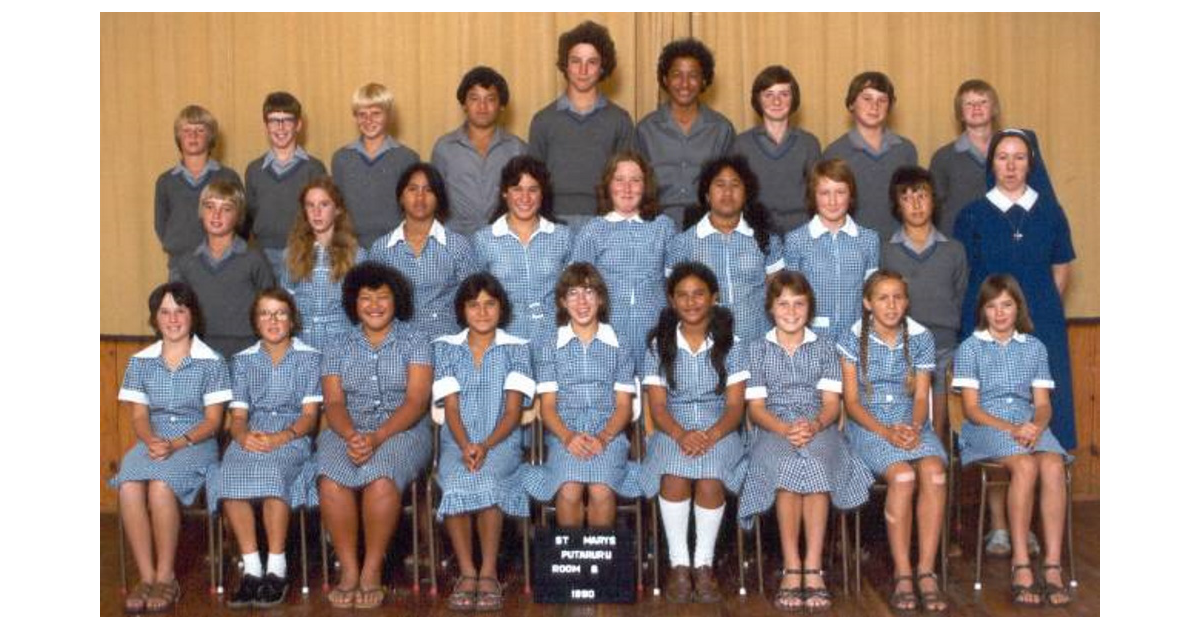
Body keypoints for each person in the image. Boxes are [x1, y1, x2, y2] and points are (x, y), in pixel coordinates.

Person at [953, 128, 1076, 558]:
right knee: (997, 420)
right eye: (1002, 158)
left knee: (1041, 428)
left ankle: (1036, 529)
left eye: (1019, 158)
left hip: (1040, 328)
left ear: (1031, 163)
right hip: (987, 326)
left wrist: (1036, 312)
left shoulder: (1050, 212)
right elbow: (963, 274)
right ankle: (1001, 527)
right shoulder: (972, 214)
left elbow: (1060, 269)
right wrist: (997, 318)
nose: (1010, 166)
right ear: (992, 165)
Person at [739, 271, 872, 613]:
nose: (791, 311)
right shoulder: (757, 349)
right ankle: (791, 565)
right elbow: (755, 409)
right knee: (785, 467)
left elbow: (831, 405)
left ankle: (813, 568)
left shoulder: (826, 347)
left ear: (809, 307)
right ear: (771, 308)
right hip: (773, 428)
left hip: (819, 426)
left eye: (799, 303)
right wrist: (785, 429)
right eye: (783, 303)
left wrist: (812, 426)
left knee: (814, 465)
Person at [317, 262, 433, 609]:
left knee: (380, 479)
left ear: (396, 300)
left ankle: (371, 570)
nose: (375, 305)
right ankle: (349, 570)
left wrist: (378, 437)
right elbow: (334, 401)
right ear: (354, 302)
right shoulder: (337, 344)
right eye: (366, 298)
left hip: (402, 429)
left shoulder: (416, 340)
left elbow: (416, 401)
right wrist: (352, 435)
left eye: (383, 297)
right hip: (347, 429)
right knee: (331, 480)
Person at [952, 274, 1072, 607]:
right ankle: (1021, 562)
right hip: (986, 426)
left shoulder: (1034, 347)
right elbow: (971, 409)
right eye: (992, 306)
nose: (1000, 313)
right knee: (1024, 465)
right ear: (983, 311)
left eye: (1007, 305)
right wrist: (1011, 429)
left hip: (1027, 422)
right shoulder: (971, 347)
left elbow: (1044, 404)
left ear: (1018, 307)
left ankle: (1051, 563)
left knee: (1051, 464)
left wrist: (1034, 425)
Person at [112, 282, 232, 614]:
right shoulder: (141, 361)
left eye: (180, 311)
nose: (173, 319)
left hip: (195, 441)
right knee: (128, 485)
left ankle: (167, 577)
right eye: (164, 312)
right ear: (155, 318)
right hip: (154, 439)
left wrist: (176, 443)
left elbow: (213, 422)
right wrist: (151, 440)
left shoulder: (211, 361)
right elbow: (139, 415)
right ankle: (146, 577)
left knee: (162, 486)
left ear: (192, 315)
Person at [839, 270, 948, 614]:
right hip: (868, 426)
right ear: (868, 303)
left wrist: (915, 427)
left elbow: (921, 397)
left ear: (907, 301)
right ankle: (902, 572)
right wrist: (886, 433)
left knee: (933, 472)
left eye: (898, 297)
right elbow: (852, 404)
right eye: (883, 298)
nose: (891, 305)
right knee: (903, 476)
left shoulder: (920, 337)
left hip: (910, 422)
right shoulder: (851, 338)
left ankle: (926, 571)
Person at [639, 262, 748, 604]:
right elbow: (657, 408)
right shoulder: (659, 344)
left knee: (711, 476)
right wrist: (683, 434)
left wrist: (711, 435)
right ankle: (679, 565)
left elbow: (734, 407)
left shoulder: (733, 343)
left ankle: (703, 564)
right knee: (673, 475)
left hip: (720, 427)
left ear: (714, 298)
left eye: (699, 294)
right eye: (682, 296)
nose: (691, 302)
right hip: (673, 428)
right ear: (671, 301)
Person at [431, 273, 535, 612]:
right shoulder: (445, 348)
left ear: (501, 308)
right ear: (462, 310)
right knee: (458, 481)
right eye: (474, 305)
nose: (482, 312)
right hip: (456, 443)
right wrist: (465, 446)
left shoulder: (517, 349)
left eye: (490, 304)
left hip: (501, 442)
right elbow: (452, 409)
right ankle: (467, 572)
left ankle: (489, 572)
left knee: (488, 479)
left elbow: (512, 411)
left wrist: (486, 445)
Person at [213, 288, 321, 608]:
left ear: (291, 319)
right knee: (230, 473)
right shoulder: (244, 360)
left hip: (291, 435)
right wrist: (242, 436)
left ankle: (276, 568)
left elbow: (309, 417)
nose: (273, 320)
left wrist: (281, 437)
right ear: (256, 321)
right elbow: (238, 416)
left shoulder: (310, 357)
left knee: (274, 471)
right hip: (252, 432)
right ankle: (252, 569)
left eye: (280, 313)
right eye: (265, 314)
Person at [523, 263, 640, 527]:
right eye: (573, 294)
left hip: (608, 433)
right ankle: (573, 558)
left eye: (588, 292)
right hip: (565, 433)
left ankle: (597, 562)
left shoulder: (619, 343)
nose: (582, 301)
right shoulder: (550, 346)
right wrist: (568, 437)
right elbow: (548, 407)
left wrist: (604, 437)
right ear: (563, 302)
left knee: (601, 489)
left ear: (600, 299)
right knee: (570, 489)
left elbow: (623, 406)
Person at [879, 166, 967, 439]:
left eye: (922, 196)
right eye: (906, 198)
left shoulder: (954, 250)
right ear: (897, 205)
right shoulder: (887, 251)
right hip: (901, 347)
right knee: (906, 420)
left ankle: (939, 461)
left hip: (943, 346)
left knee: (939, 427)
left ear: (934, 200)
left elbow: (961, 296)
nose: (916, 205)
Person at [569, 151, 677, 369]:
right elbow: (577, 288)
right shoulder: (593, 230)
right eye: (619, 180)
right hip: (608, 330)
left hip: (656, 331)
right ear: (608, 185)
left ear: (646, 186)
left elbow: (677, 285)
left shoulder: (663, 227)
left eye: (635, 180)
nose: (627, 188)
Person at [529, 20, 635, 230]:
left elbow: (628, 180)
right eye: (576, 61)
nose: (583, 70)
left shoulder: (620, 120)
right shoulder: (543, 120)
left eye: (592, 62)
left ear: (603, 67)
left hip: (605, 222)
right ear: (565, 65)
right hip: (553, 222)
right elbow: (533, 181)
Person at [666, 155, 783, 342]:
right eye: (720, 185)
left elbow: (779, 297)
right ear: (707, 195)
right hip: (705, 345)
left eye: (735, 185)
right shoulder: (683, 243)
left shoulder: (767, 240)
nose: (727, 193)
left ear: (745, 194)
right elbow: (674, 299)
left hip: (757, 342)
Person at [928, 79, 1060, 236]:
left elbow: (1042, 198)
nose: (976, 108)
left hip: (1010, 240)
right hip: (961, 246)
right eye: (969, 104)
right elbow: (933, 209)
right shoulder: (943, 157)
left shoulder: (1020, 151)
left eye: (983, 102)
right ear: (960, 112)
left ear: (994, 108)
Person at [368, 163, 479, 339]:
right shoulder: (381, 249)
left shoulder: (458, 246)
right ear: (401, 197)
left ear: (439, 198)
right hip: (397, 346)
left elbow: (473, 302)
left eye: (428, 190)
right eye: (412, 189)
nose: (420, 197)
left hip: (447, 345)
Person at [170, 180, 276, 358]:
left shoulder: (253, 259)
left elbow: (271, 306)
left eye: (226, 209)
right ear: (201, 212)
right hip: (200, 349)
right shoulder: (187, 261)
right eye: (210, 207)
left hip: (247, 350)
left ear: (239, 215)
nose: (216, 215)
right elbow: (176, 310)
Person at [473, 155, 571, 344]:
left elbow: (572, 292)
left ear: (542, 193)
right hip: (503, 338)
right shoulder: (483, 240)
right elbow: (477, 299)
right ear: (504, 193)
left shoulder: (562, 236)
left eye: (533, 189)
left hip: (554, 336)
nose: (525, 198)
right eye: (517, 189)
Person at [637, 38, 735, 226]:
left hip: (709, 226)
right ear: (665, 79)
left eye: (693, 75)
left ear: (704, 80)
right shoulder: (645, 129)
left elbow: (731, 187)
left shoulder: (722, 129)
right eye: (677, 75)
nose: (684, 83)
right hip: (655, 224)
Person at [783, 159, 880, 342]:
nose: (833, 201)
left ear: (851, 195)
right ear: (813, 196)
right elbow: (791, 298)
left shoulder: (869, 240)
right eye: (825, 193)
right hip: (810, 339)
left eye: (840, 192)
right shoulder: (796, 240)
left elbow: (872, 297)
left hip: (856, 340)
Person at [432, 66, 527, 237]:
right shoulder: (444, 147)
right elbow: (434, 199)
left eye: (490, 99)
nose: (482, 106)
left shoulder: (517, 148)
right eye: (474, 98)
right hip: (456, 238)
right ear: (464, 104)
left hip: (505, 238)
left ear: (502, 105)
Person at [244, 91, 328, 279]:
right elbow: (247, 218)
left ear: (298, 125)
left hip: (302, 254)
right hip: (263, 255)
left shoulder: (314, 168)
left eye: (287, 120)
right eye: (274, 120)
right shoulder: (254, 170)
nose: (280, 127)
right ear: (266, 126)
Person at [821, 71, 918, 236]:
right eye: (867, 99)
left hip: (897, 246)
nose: (875, 106)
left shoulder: (905, 150)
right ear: (851, 103)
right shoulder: (835, 152)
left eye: (882, 100)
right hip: (852, 247)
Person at [732, 65, 822, 235]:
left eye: (784, 94)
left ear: (793, 98)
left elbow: (818, 197)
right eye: (769, 95)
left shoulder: (809, 143)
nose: (777, 101)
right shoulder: (741, 144)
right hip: (755, 234)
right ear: (757, 99)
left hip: (801, 234)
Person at [280, 177, 367, 353]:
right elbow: (286, 303)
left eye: (324, 204)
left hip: (342, 343)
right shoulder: (291, 253)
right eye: (310, 205)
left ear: (337, 209)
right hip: (302, 343)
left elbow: (362, 309)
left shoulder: (357, 255)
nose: (316, 212)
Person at [154, 105, 242, 275]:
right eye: (186, 130)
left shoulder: (228, 177)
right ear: (178, 136)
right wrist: (177, 244)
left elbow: (241, 222)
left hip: (222, 263)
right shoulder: (166, 181)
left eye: (200, 130)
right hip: (180, 264)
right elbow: (161, 224)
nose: (193, 136)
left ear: (210, 136)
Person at [331, 83, 420, 247]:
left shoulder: (407, 158)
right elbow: (337, 209)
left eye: (376, 114)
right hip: (352, 247)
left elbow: (415, 210)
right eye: (361, 114)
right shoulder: (341, 158)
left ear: (389, 115)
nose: (368, 120)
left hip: (396, 246)